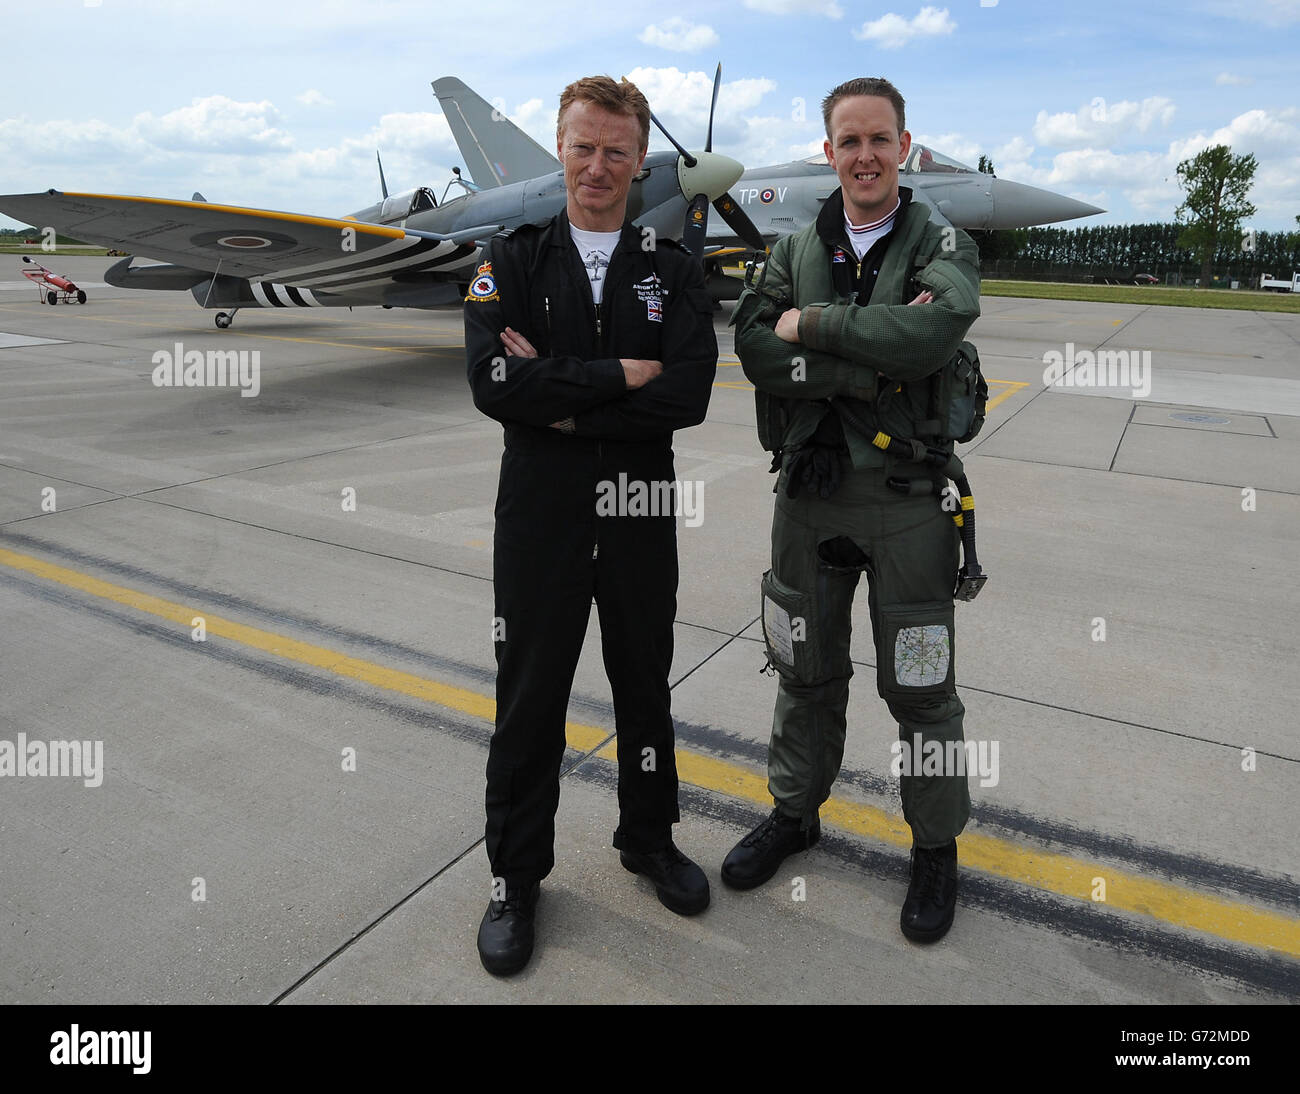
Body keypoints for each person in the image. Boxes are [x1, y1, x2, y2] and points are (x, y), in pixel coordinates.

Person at [464, 75, 718, 976]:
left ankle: (648, 838)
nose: (599, 166)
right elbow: (494, 384)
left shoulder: (674, 267)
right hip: (541, 514)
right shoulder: (513, 256)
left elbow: (687, 392)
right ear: (560, 151)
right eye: (583, 147)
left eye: (618, 150)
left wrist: (562, 394)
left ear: (641, 158)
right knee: (529, 693)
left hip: (642, 509)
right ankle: (516, 875)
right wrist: (622, 377)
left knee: (644, 681)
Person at [724, 77, 981, 943]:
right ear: (828, 150)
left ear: (903, 146)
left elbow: (940, 327)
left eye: (880, 139)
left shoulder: (939, 238)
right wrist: (870, 359)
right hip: (807, 495)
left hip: (907, 503)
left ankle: (936, 849)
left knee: (923, 688)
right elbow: (757, 350)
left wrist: (815, 328)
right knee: (802, 669)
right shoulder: (793, 246)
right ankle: (794, 816)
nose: (864, 156)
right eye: (849, 141)